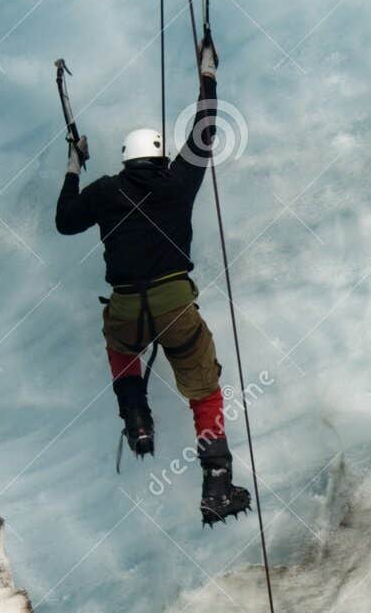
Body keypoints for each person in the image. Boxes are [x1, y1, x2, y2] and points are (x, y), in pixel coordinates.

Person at [54, 29, 251, 526]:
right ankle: (216, 483)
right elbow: (206, 130)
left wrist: (74, 166)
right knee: (203, 387)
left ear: (125, 159)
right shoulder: (178, 182)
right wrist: (208, 74)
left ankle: (138, 420)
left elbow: (65, 221)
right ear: (161, 157)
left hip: (124, 308)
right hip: (174, 307)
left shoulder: (104, 191)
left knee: (122, 352)